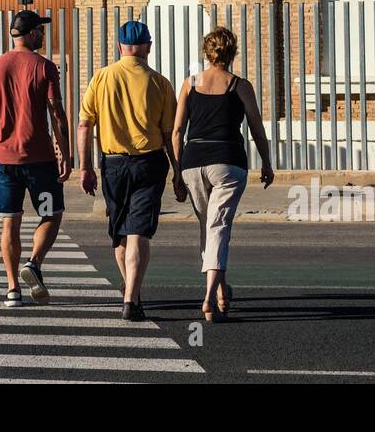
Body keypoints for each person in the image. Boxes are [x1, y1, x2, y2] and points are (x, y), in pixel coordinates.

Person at [170, 26, 275, 323]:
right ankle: (208, 299)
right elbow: (256, 129)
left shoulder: (189, 84)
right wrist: (266, 163)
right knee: (219, 227)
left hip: (193, 162)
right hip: (228, 162)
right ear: (232, 53)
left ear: (207, 52)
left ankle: (220, 291)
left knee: (209, 227)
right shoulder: (240, 86)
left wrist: (177, 173)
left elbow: (177, 131)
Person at [76, 20, 176, 322]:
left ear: (119, 46)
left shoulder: (101, 78)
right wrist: (179, 173)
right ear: (148, 46)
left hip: (113, 165)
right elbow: (170, 132)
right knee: (139, 234)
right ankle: (132, 299)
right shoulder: (160, 83)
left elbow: (84, 125)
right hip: (149, 163)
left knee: (120, 235)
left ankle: (131, 291)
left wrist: (84, 167)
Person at [0, 10, 72, 308]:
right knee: (51, 214)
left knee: (10, 223)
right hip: (39, 158)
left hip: (4, 159)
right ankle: (35, 264)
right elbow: (57, 113)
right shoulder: (45, 67)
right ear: (29, 34)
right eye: (40, 30)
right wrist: (64, 153)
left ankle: (12, 289)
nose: (43, 35)